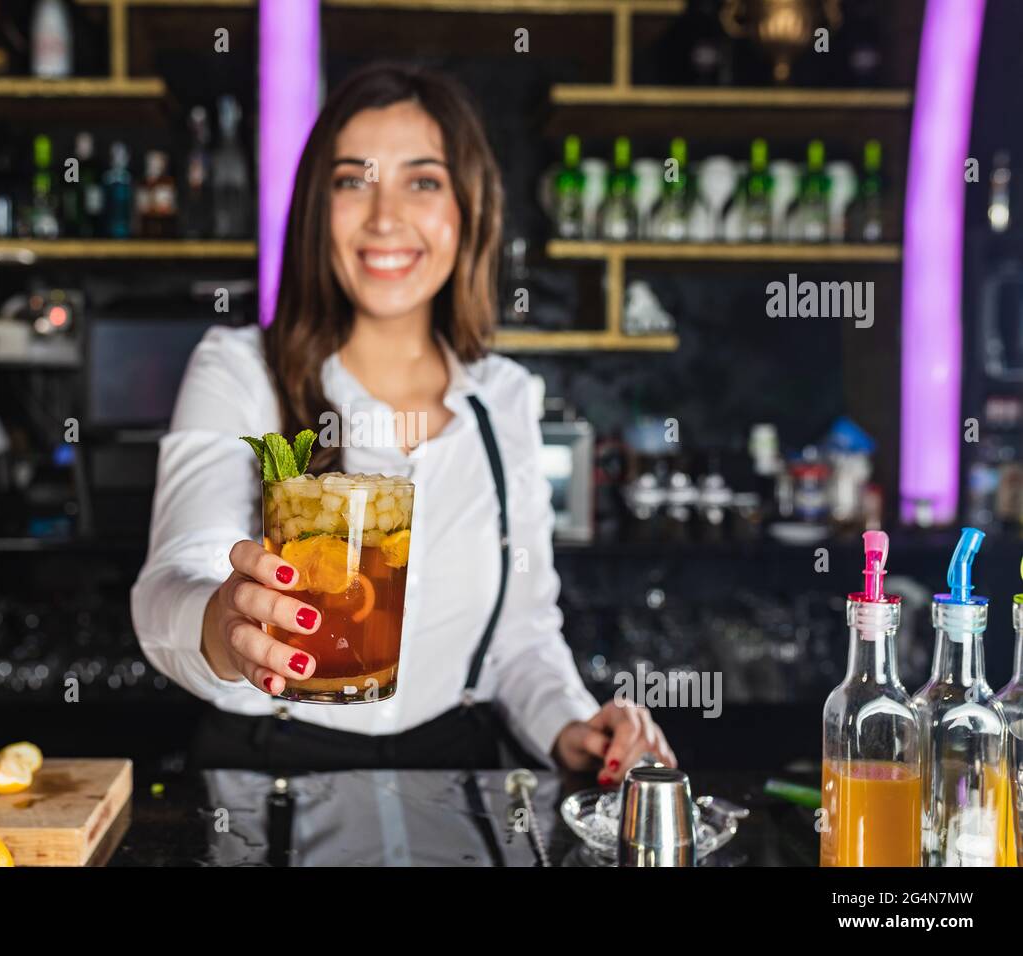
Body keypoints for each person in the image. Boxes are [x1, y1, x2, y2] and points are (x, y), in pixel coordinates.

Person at [132, 63, 675, 779]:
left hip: (456, 773)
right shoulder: (241, 370)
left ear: (467, 209)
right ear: (314, 209)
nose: (385, 216)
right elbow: (176, 574)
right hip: (271, 773)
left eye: (423, 181)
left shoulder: (503, 398)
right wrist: (223, 625)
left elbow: (522, 636)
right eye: (352, 181)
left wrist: (572, 726)